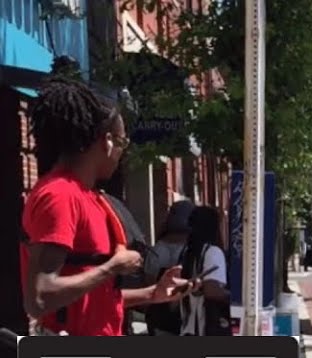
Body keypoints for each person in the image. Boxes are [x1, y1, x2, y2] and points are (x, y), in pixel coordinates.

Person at [20, 73, 190, 336]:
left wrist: (152, 294)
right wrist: (112, 267)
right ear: (107, 142)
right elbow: (39, 297)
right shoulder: (59, 196)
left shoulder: (90, 197)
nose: (123, 151)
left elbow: (93, 296)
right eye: (122, 142)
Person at [143, 200, 195, 335]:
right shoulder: (193, 250)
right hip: (185, 318)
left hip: (159, 318)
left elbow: (149, 282)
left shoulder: (157, 249)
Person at [178, 205, 232, 336]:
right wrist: (233, 297)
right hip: (205, 327)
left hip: (187, 327)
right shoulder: (213, 252)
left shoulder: (187, 252)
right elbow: (211, 290)